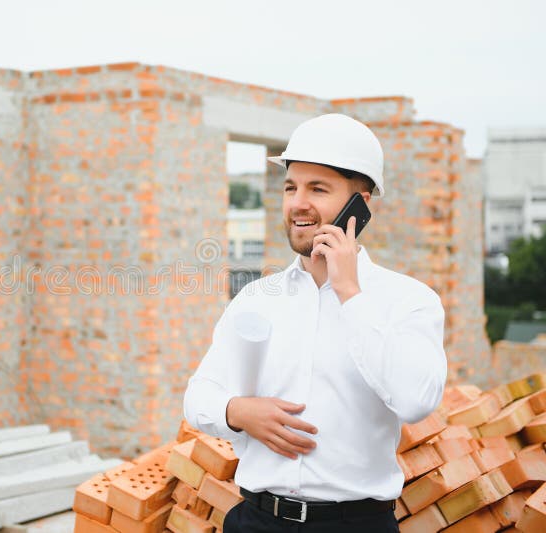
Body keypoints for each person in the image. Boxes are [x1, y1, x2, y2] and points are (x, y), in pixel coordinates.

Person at [183, 113, 447, 532]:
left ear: (360, 202)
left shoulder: (409, 301)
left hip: (356, 525)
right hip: (255, 521)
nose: (298, 203)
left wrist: (349, 293)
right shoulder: (255, 299)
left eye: (317, 189)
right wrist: (237, 411)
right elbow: (198, 396)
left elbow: (416, 401)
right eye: (291, 187)